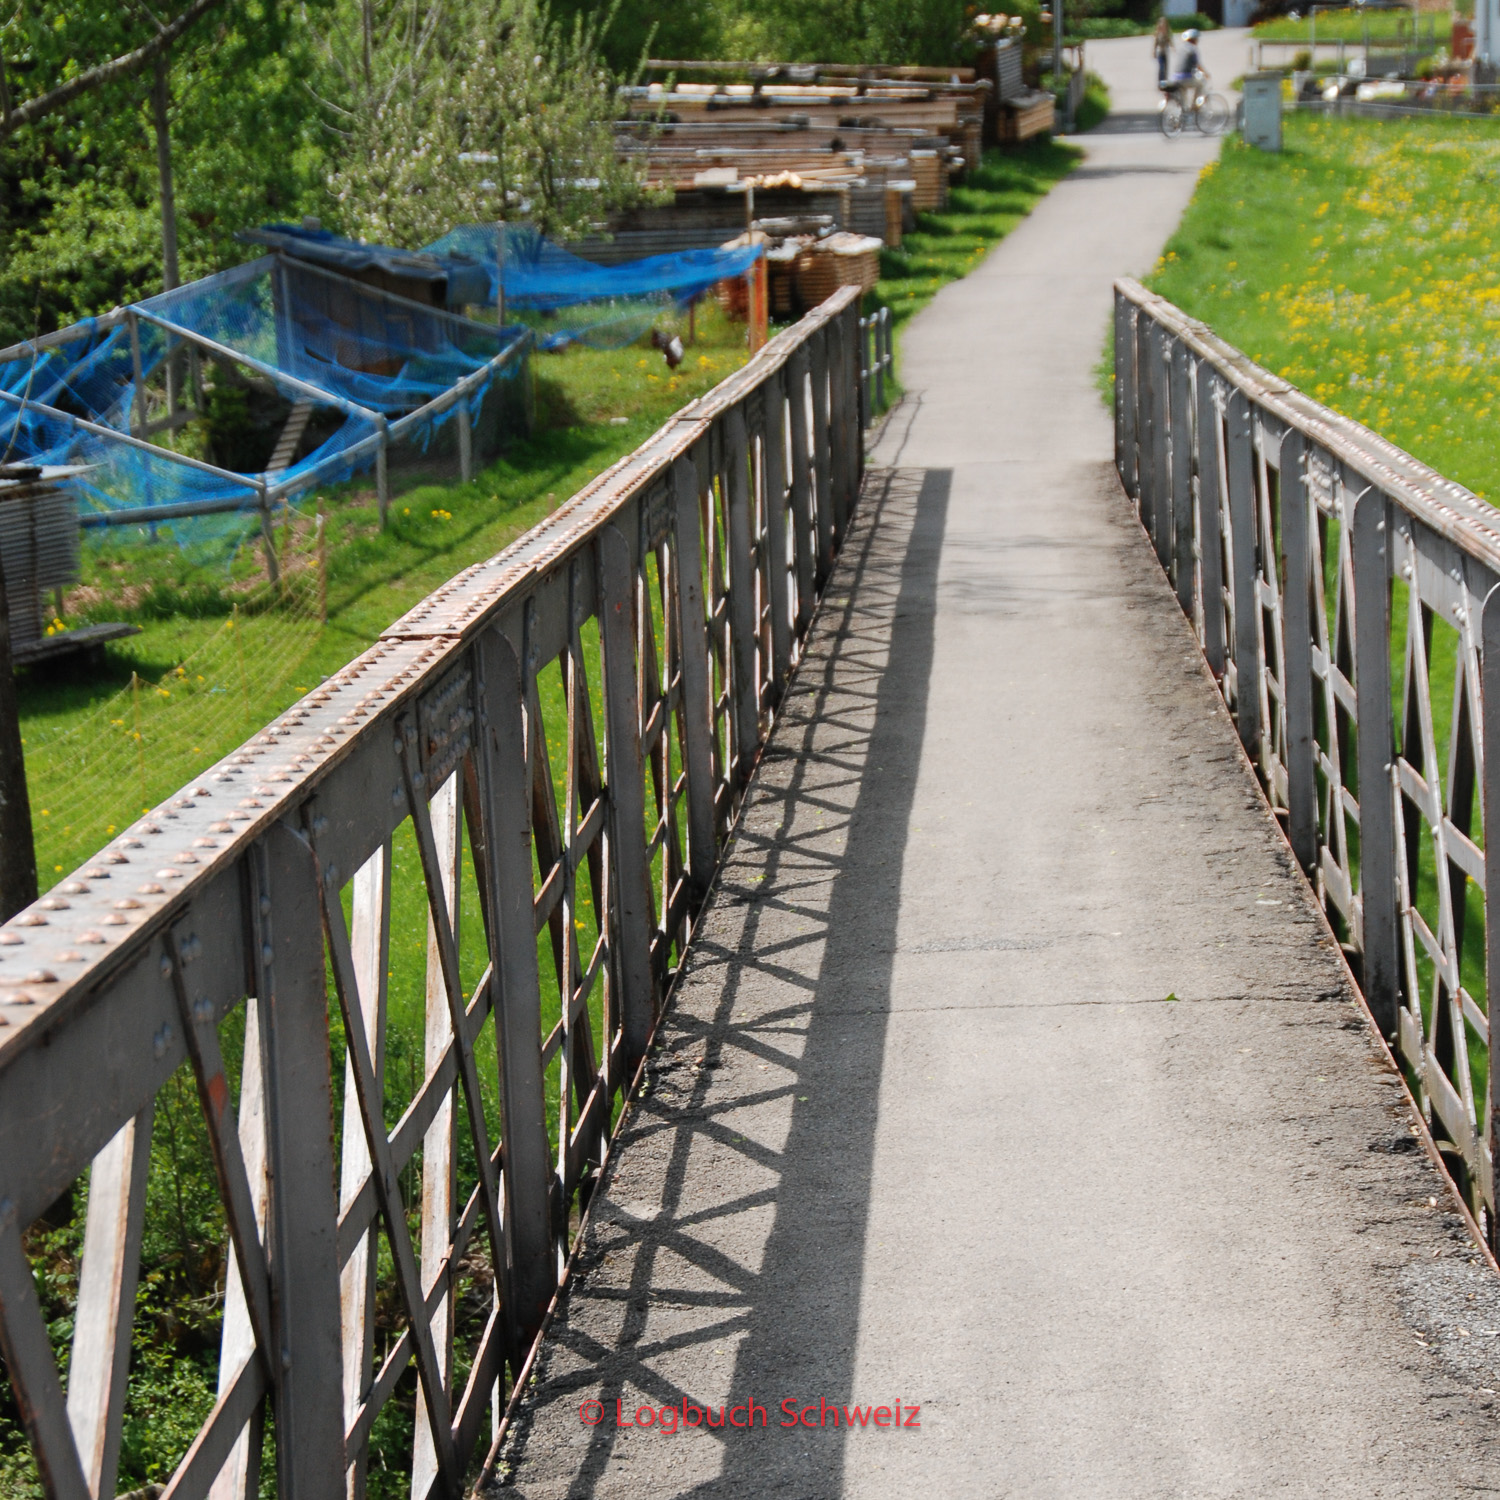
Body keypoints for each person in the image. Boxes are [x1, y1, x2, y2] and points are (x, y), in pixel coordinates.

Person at [1153, 16, 1173, 86]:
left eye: (1164, 25)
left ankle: (1165, 81)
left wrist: (1172, 46)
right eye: (1161, 25)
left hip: (1165, 52)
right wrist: (1154, 51)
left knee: (1166, 67)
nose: (1163, 27)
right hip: (1159, 52)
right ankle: (1160, 82)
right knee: (1161, 67)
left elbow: (1169, 41)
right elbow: (1155, 43)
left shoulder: (1167, 33)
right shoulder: (1158, 34)